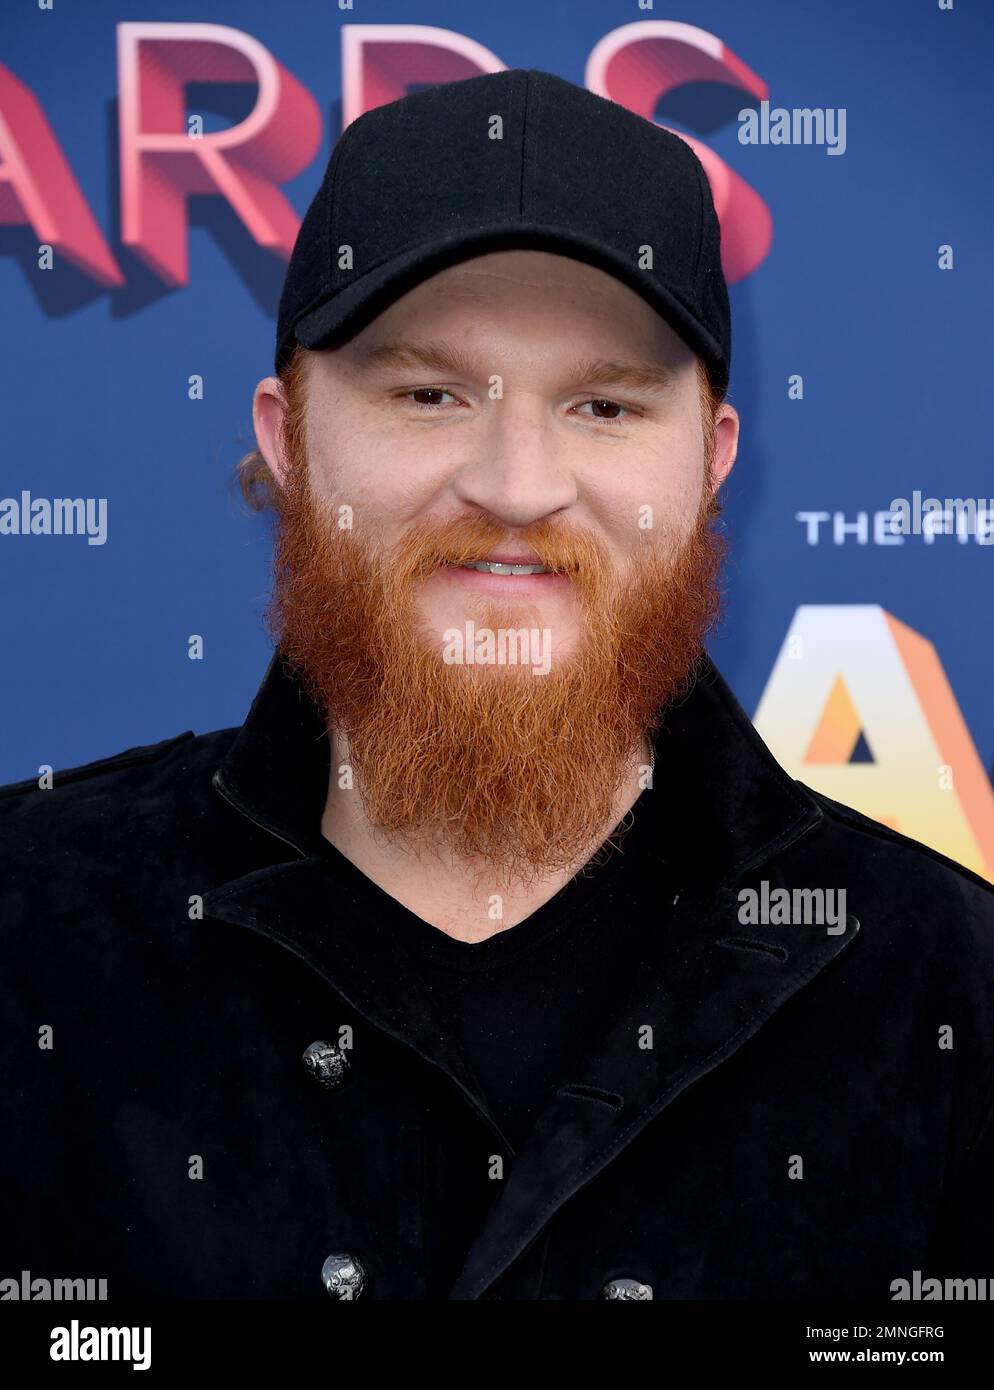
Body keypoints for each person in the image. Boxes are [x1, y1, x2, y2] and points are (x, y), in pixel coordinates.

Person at [2, 69, 992, 1303]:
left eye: (604, 404)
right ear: (287, 437)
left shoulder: (939, 983)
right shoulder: (31, 920)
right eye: (428, 392)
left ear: (712, 459)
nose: (519, 486)